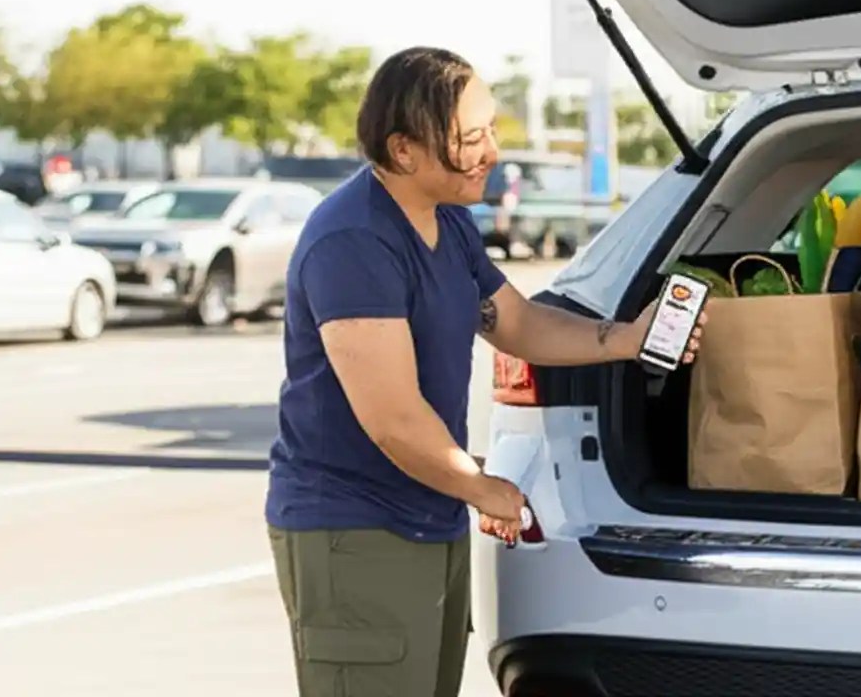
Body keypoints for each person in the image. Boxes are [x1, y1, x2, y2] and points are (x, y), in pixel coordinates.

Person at [264, 46, 704, 697]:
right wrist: (483, 487)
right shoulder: (352, 241)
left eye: (492, 129)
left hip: (426, 514)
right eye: (472, 137)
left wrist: (627, 340)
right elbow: (392, 417)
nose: (493, 151)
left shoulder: (449, 222)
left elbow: (518, 324)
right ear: (404, 149)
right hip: (354, 533)